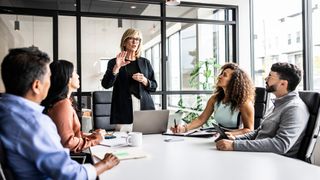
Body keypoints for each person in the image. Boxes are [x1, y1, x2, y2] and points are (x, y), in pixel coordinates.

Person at [0, 47, 119, 179]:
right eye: (49, 77)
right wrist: (105, 164)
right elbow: (70, 175)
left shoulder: (6, 112)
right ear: (36, 86)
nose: (51, 83)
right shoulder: (35, 123)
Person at [216, 62, 309, 158]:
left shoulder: (294, 109)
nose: (266, 79)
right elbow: (258, 132)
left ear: (283, 83)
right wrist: (235, 139)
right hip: (261, 156)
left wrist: (234, 145)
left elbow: (280, 145)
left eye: (270, 76)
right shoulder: (278, 104)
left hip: (276, 161)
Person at [171, 63, 255, 136]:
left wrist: (229, 134)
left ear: (234, 81)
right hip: (218, 137)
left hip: (235, 140)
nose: (220, 77)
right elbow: (201, 119)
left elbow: (249, 130)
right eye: (221, 74)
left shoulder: (244, 102)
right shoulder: (215, 98)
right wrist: (183, 128)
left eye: (224, 75)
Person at [42, 60, 105, 153]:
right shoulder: (62, 105)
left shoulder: (65, 102)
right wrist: (96, 139)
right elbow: (68, 142)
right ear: (68, 79)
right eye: (75, 72)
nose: (78, 76)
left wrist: (92, 136)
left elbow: (72, 136)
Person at [101, 28, 157, 131]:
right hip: (123, 108)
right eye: (131, 38)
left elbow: (154, 86)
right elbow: (106, 85)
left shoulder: (145, 62)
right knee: (122, 141)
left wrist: (145, 80)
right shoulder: (114, 62)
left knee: (147, 140)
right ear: (124, 42)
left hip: (145, 107)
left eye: (138, 39)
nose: (135, 42)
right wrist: (116, 67)